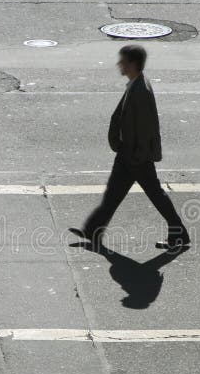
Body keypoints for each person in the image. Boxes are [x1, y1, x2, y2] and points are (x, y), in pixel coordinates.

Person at [70, 45, 190, 251]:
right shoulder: (136, 84)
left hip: (136, 156)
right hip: (128, 153)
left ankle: (179, 234)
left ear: (132, 64)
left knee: (155, 195)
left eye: (123, 61)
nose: (119, 64)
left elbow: (144, 128)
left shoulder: (141, 90)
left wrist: (136, 157)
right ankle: (93, 231)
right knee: (114, 193)